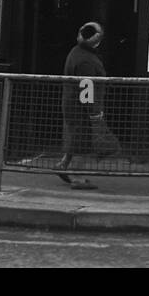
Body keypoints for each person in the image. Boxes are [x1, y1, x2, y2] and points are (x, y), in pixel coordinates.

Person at [58, 21, 106, 190]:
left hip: (71, 103)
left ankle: (63, 165)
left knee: (75, 137)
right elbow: (87, 88)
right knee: (83, 141)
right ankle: (77, 178)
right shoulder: (87, 61)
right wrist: (94, 112)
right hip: (80, 108)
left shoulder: (76, 51)